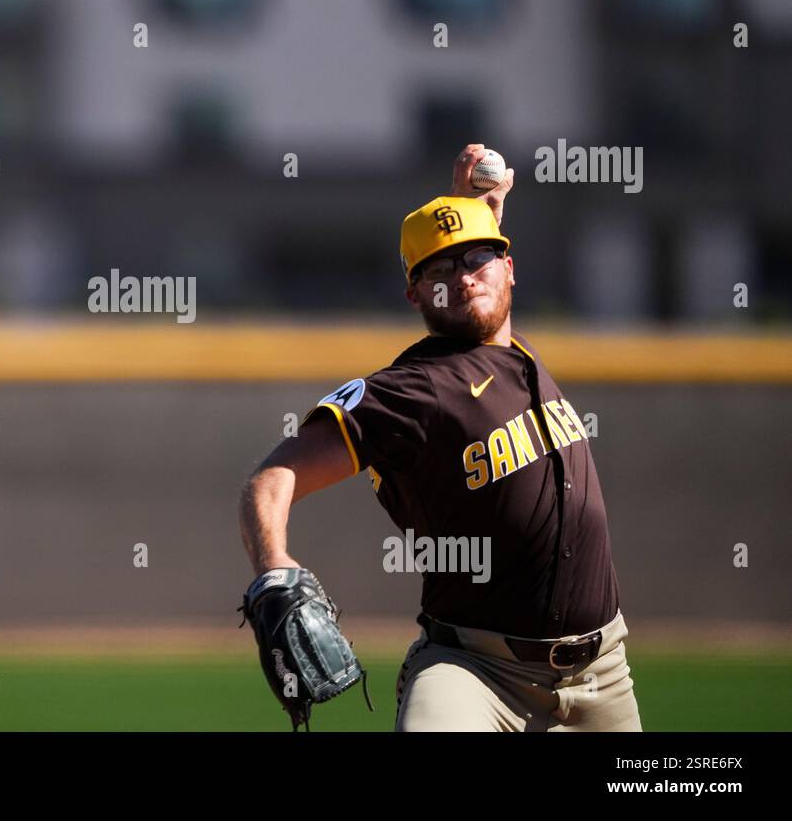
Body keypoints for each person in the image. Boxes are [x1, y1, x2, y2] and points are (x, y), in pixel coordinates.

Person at [238, 144, 642, 731]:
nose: (463, 276)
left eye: (476, 258)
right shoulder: (411, 389)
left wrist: (475, 210)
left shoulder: (516, 351)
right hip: (475, 672)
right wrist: (273, 565)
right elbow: (273, 478)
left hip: (604, 675)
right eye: (439, 269)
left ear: (509, 267)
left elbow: (482, 287)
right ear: (415, 294)